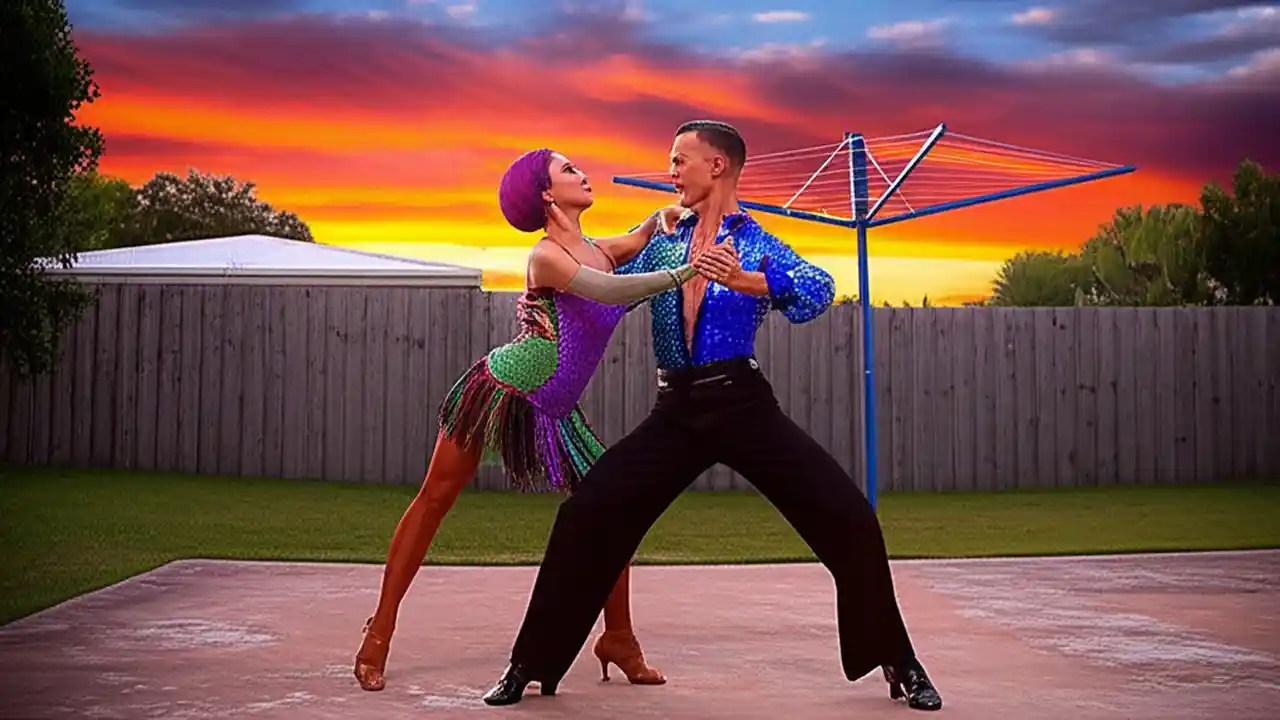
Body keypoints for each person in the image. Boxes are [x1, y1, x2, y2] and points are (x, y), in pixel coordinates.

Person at [480, 121, 944, 711]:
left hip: (743, 404)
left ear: (716, 166)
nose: (671, 171)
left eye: (680, 160)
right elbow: (598, 265)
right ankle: (529, 665)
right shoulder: (667, 239)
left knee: (849, 518)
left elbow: (816, 291)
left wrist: (746, 281)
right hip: (675, 411)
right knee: (585, 514)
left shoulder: (756, 242)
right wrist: (543, 293)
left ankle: (899, 661)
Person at [353, 147, 695, 692]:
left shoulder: (599, 249)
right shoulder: (546, 258)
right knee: (435, 498)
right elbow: (610, 289)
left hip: (557, 411)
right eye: (568, 170)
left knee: (614, 510)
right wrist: (682, 272)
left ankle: (619, 638)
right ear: (546, 194)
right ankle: (381, 629)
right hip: (506, 389)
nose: (582, 174)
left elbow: (634, 240)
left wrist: (660, 219)